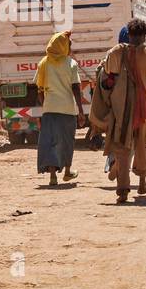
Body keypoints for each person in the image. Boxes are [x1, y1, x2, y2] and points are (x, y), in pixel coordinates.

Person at [97, 18, 146, 204]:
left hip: (120, 107)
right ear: (144, 35)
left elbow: (108, 79)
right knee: (142, 145)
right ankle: (142, 182)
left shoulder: (115, 52)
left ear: (129, 34)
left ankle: (122, 190)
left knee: (122, 147)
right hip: (143, 107)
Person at [35, 31, 85, 186]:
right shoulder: (71, 64)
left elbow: (40, 90)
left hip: (50, 109)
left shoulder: (43, 63)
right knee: (67, 140)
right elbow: (76, 88)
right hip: (67, 109)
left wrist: (45, 106)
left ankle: (53, 177)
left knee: (51, 141)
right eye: (69, 44)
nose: (70, 47)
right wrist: (81, 111)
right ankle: (67, 171)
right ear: (63, 46)